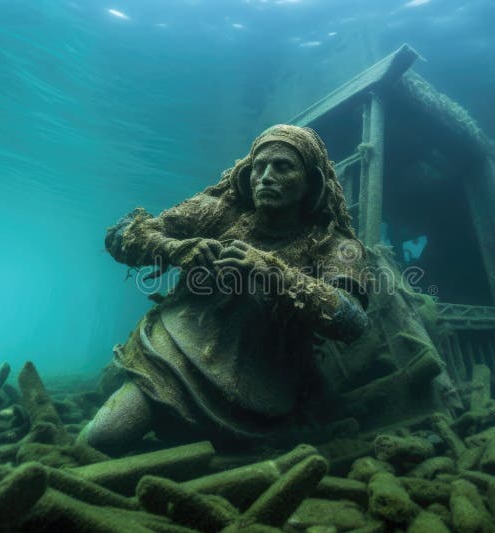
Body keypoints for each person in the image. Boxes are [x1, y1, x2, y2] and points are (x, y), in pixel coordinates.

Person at [80, 125, 370, 454]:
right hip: (171, 357)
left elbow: (354, 320)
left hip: (262, 391)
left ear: (311, 180)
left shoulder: (336, 245)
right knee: (102, 438)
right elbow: (120, 235)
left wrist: (273, 271)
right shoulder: (217, 211)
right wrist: (174, 248)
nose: (266, 177)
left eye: (283, 166)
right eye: (259, 166)